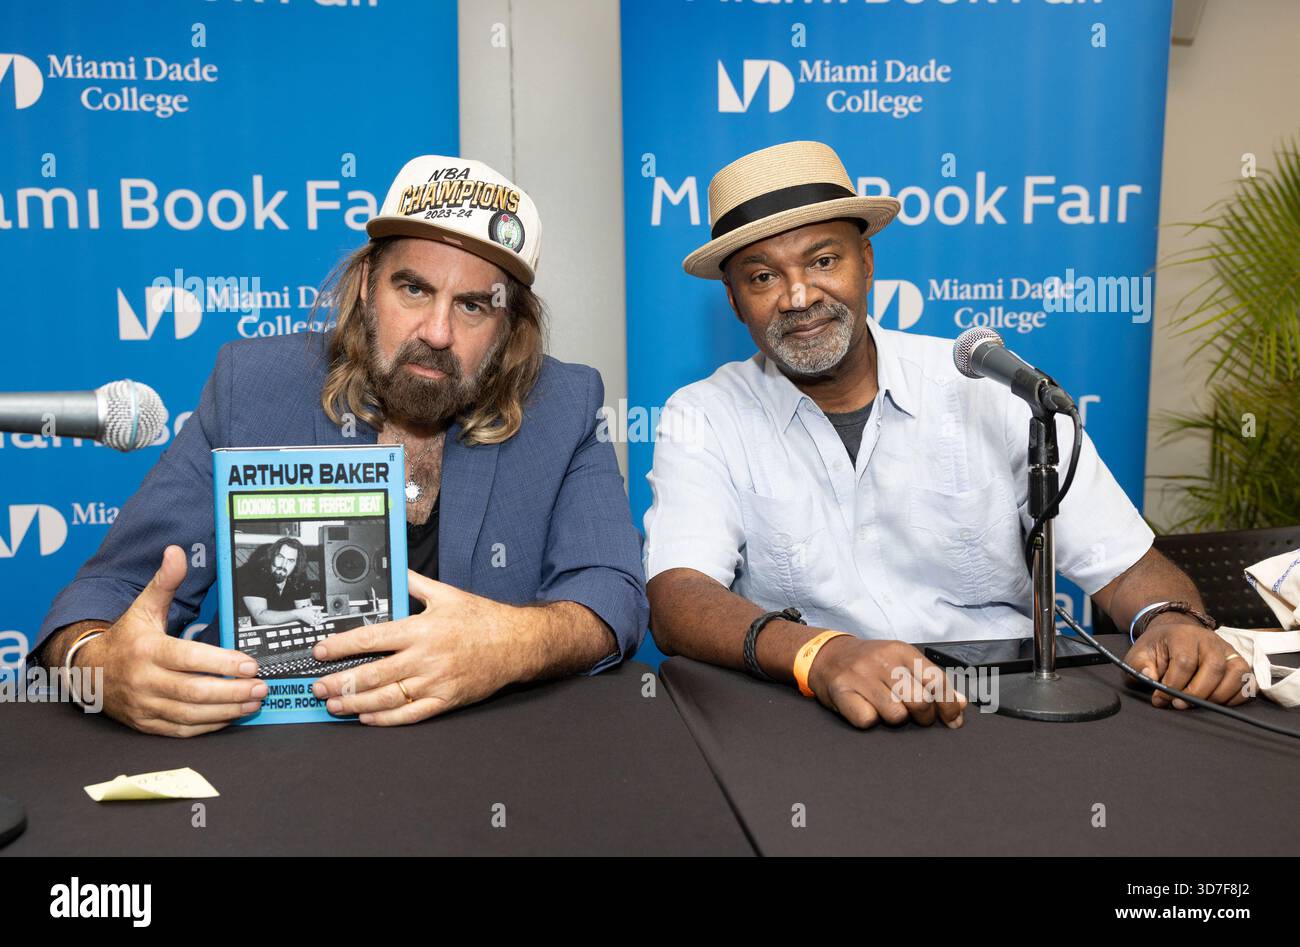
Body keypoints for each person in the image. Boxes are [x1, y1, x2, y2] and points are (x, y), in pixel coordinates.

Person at [643, 140, 1252, 731]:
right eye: (761, 277)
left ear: (868, 262)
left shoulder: (990, 388)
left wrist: (1171, 621)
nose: (799, 297)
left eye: (824, 261)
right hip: (813, 713)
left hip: (1007, 711)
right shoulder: (705, 415)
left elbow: (1124, 565)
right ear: (732, 300)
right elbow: (679, 598)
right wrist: (820, 654)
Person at [36, 155, 648, 737]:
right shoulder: (253, 388)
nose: (436, 333)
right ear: (364, 286)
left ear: (511, 326)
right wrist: (99, 664)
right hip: (280, 758)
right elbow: (108, 593)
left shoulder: (562, 404)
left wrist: (507, 643)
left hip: (483, 756)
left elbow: (612, 592)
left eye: (472, 306)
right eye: (412, 290)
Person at [234, 537, 323, 628]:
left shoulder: (298, 576)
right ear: (272, 556)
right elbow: (260, 617)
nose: (283, 565)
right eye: (280, 557)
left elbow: (305, 610)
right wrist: (298, 614)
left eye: (290, 561)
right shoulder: (251, 572)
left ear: (296, 564)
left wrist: (314, 616)